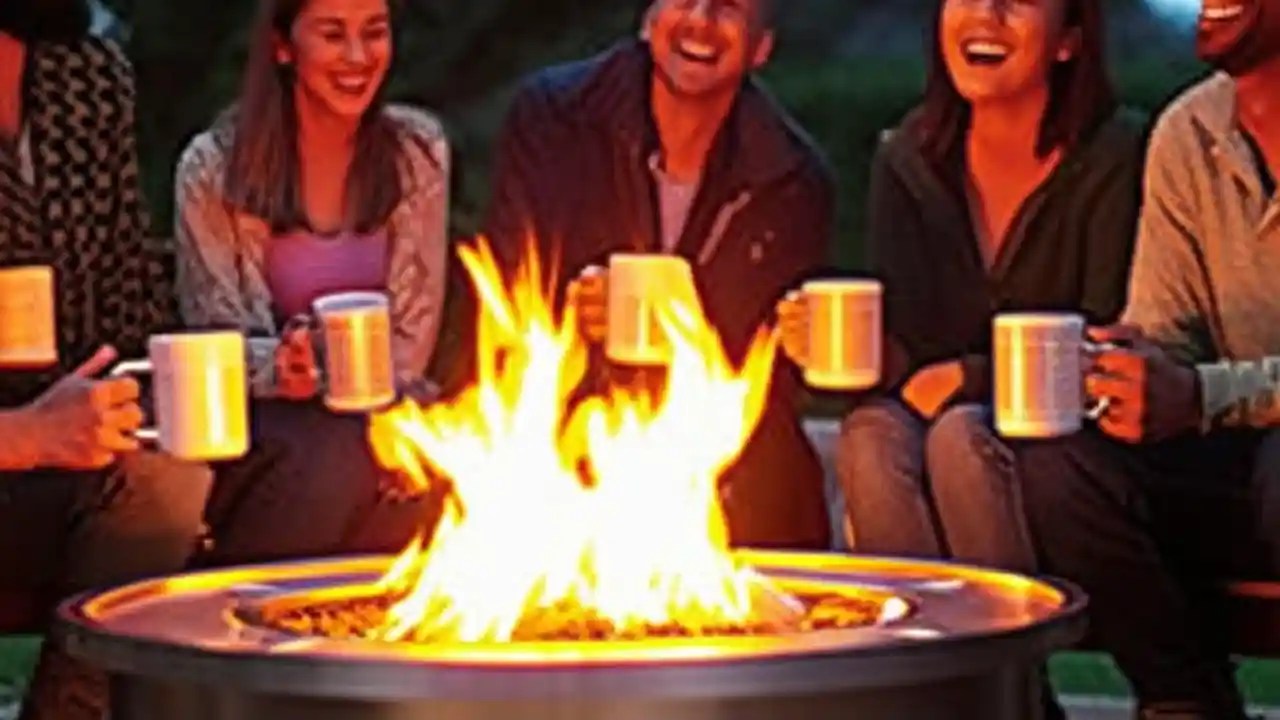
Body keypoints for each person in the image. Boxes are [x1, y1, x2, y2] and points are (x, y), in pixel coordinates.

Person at [779, 0, 1141, 571]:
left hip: (1067, 428)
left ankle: (1003, 658)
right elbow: (911, 353)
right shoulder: (909, 157)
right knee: (869, 436)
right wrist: (841, 345)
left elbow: (1109, 329)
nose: (985, 15)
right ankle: (916, 653)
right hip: (939, 412)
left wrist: (972, 376)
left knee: (958, 437)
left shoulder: (1114, 153)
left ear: (1069, 39)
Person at [484, 0, 834, 549]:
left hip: (716, 454)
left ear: (761, 48)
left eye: (729, 8)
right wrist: (571, 315)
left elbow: (771, 381)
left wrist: (780, 337)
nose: (700, 20)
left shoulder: (790, 177)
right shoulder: (553, 118)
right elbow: (503, 296)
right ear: (649, 19)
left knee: (773, 474)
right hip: (569, 422)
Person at [1013, 0, 1280, 716]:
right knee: (1059, 461)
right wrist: (1131, 368)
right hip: (1227, 456)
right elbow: (1167, 331)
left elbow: (1201, 393)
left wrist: (1201, 395)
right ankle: (1184, 701)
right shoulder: (1190, 131)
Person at [174, 0, 449, 565]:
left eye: (374, 33)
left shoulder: (417, 153)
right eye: (332, 34)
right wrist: (281, 365)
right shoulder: (213, 168)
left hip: (379, 410)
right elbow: (213, 339)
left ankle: (374, 641)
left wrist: (393, 414)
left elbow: (414, 331)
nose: (357, 57)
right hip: (265, 420)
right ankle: (252, 626)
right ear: (283, 45)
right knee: (335, 460)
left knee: (442, 465)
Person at [0, 2, 213, 717]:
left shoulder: (85, 76)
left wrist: (164, 398)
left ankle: (70, 707)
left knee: (174, 477)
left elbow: (129, 284)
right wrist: (27, 436)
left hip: (77, 444)